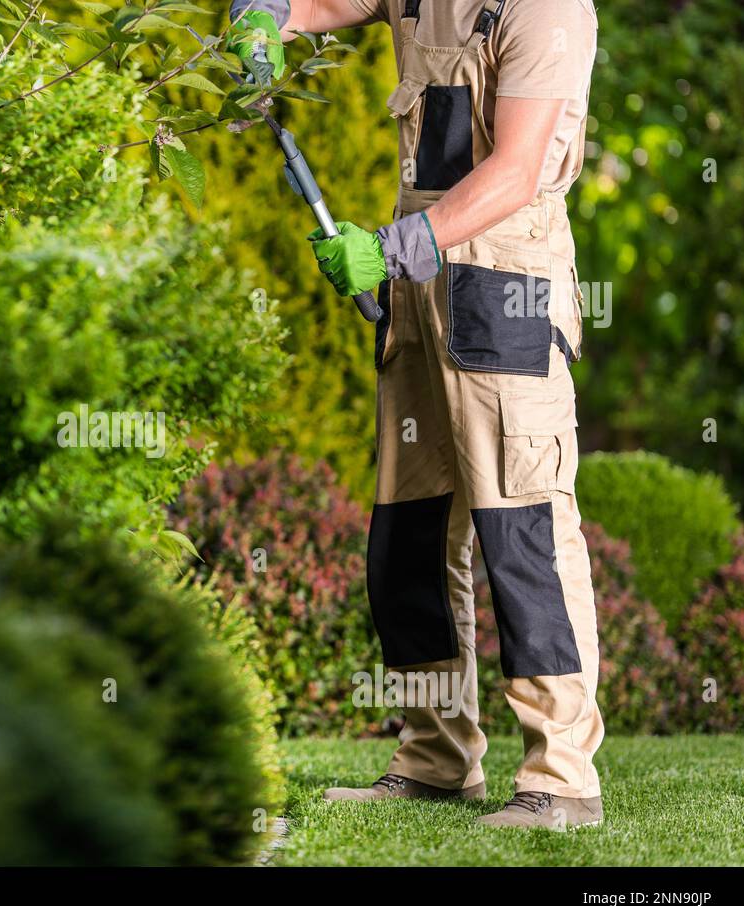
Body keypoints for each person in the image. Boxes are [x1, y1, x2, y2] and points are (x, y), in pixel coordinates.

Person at [228, 0, 604, 828]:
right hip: (417, 280)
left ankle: (562, 777)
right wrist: (266, 14)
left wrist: (388, 251)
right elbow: (323, 3)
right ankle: (436, 758)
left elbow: (514, 170)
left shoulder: (545, 9)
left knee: (523, 527)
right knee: (412, 530)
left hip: (504, 278)